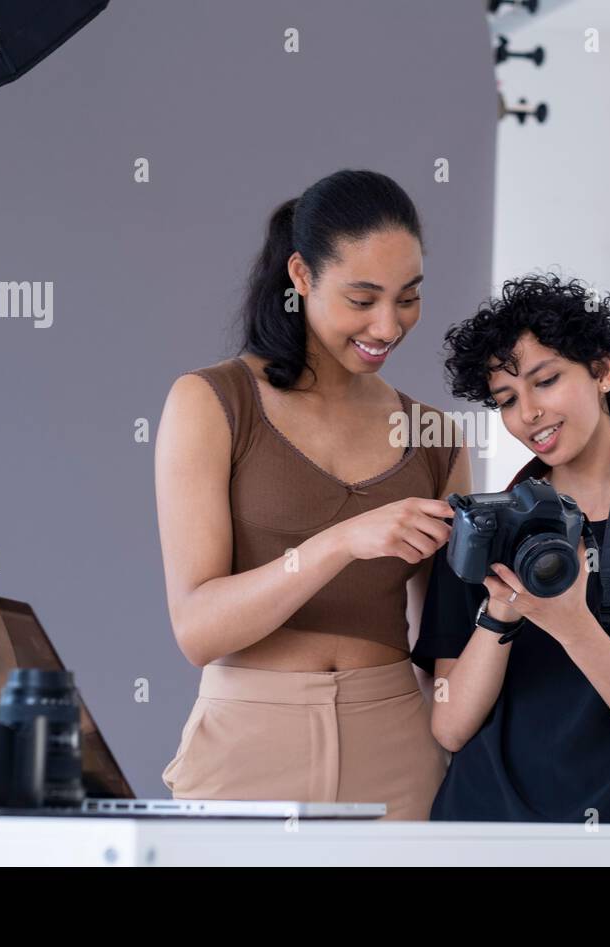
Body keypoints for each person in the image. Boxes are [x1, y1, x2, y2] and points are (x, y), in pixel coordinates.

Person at [154, 169, 470, 819]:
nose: (388, 324)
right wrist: (339, 543)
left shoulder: (436, 434)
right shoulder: (213, 403)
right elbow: (197, 629)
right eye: (362, 298)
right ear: (301, 275)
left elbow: (448, 649)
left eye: (409, 297)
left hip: (398, 751)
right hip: (246, 746)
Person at [410, 272, 610, 864]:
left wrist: (571, 622)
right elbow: (451, 727)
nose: (529, 413)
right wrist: (503, 613)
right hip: (486, 837)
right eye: (507, 400)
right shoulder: (479, 528)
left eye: (546, 380)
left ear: (603, 371)